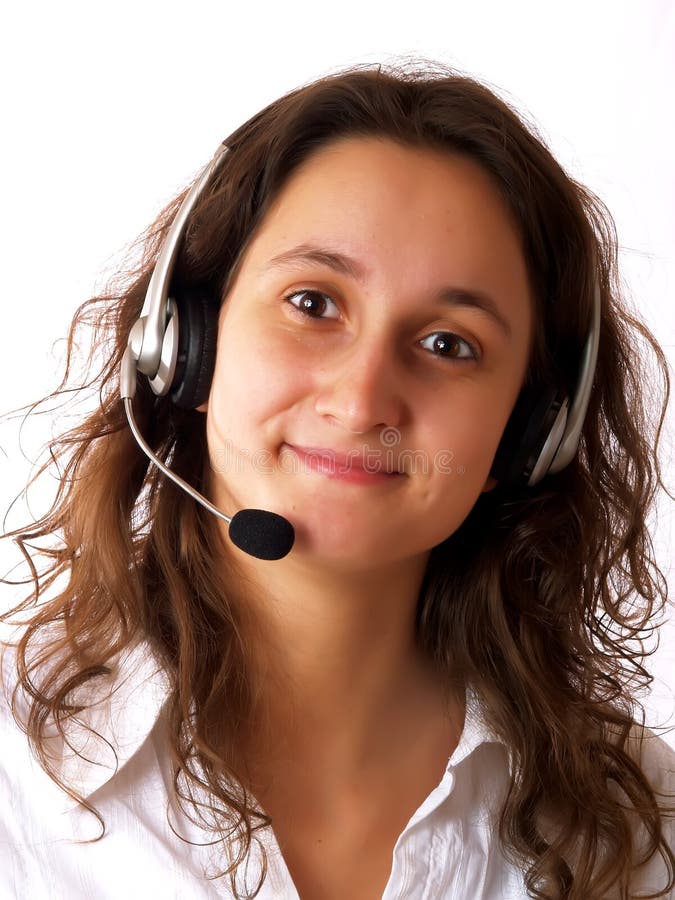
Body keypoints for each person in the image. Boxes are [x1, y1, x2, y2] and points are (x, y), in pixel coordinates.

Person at [0, 60, 674, 900]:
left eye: (448, 344)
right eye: (312, 303)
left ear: (533, 433)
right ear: (183, 344)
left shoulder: (637, 824)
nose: (361, 403)